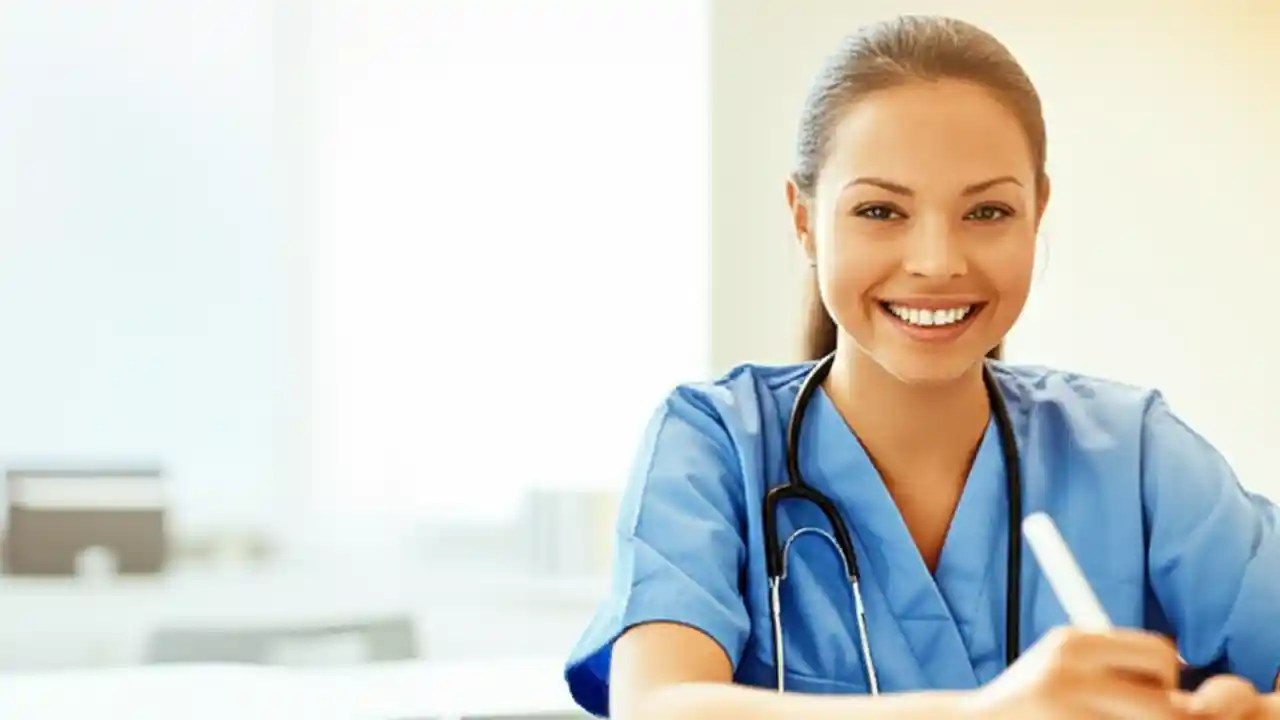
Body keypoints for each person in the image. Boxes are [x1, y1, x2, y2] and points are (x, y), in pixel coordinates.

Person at [563, 14, 1280, 720]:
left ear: (1038, 213)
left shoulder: (1133, 450)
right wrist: (986, 715)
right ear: (804, 220)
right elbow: (658, 705)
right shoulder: (712, 443)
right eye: (880, 211)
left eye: (988, 212)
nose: (937, 262)